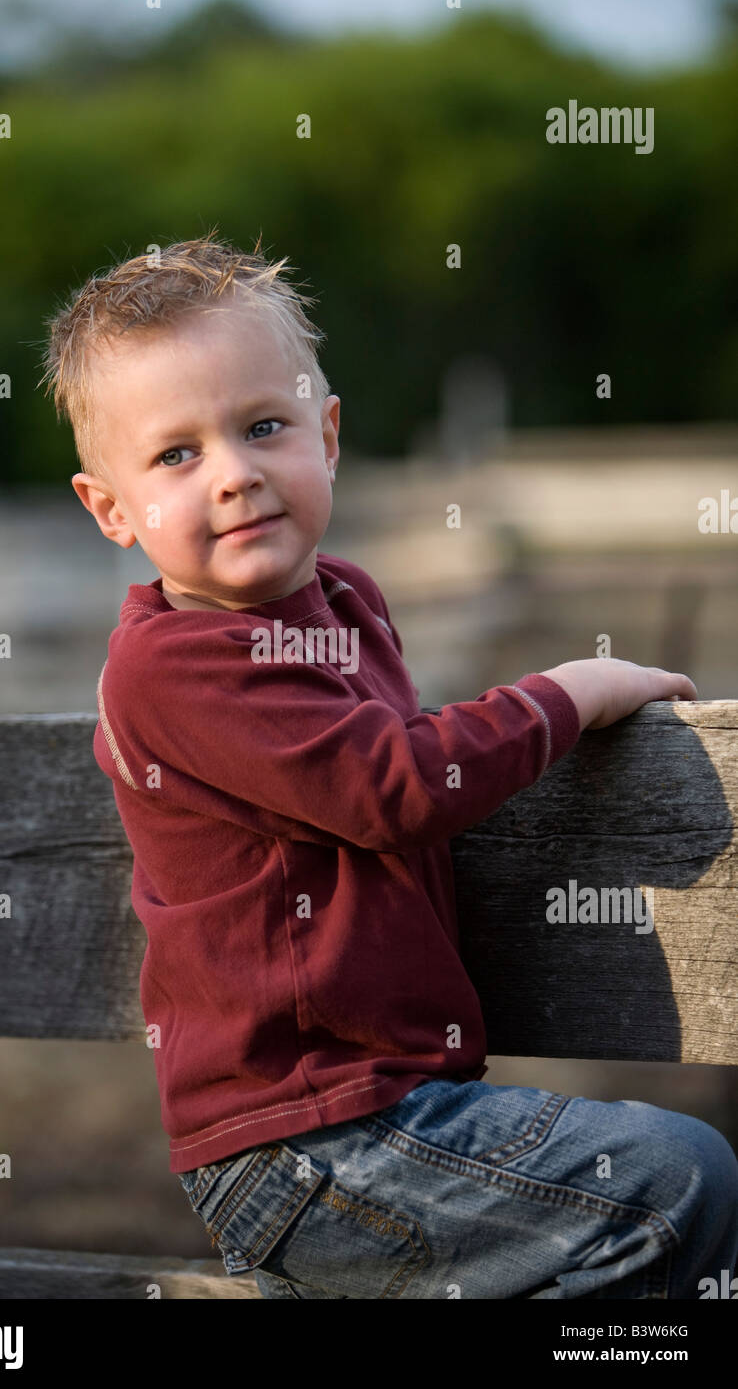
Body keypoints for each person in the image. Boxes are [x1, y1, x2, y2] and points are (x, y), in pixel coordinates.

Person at [41, 231, 738, 1299]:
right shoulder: (171, 666)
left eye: (261, 426)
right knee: (670, 1176)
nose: (231, 474)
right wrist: (572, 690)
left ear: (325, 437)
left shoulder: (346, 602)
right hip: (304, 1136)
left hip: (383, 1114)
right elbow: (393, 788)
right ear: (109, 509)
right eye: (176, 454)